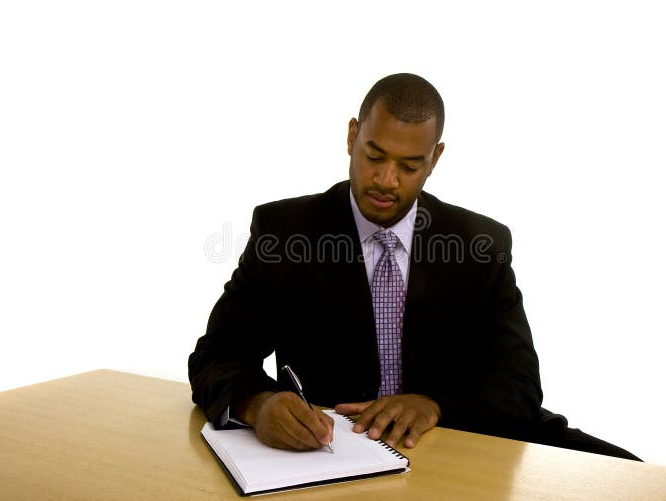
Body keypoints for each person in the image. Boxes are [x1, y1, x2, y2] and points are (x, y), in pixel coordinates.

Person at [189, 73, 640, 460]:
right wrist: (257, 403)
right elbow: (216, 355)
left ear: (435, 159)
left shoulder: (480, 244)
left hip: (464, 441)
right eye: (374, 156)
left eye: (409, 166)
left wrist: (434, 405)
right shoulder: (285, 232)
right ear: (351, 137)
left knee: (641, 478)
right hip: (333, 453)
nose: (387, 180)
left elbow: (519, 384)